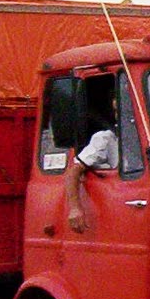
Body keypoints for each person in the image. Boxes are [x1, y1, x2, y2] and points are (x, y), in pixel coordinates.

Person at [64, 89, 118, 234]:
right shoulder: (105, 139)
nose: (119, 116)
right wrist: (75, 208)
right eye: (116, 111)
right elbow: (74, 170)